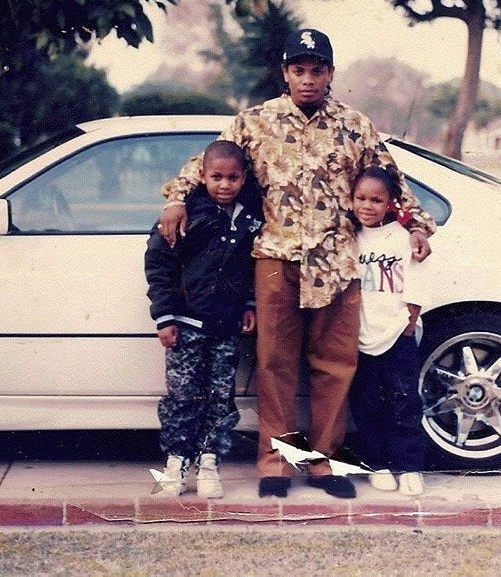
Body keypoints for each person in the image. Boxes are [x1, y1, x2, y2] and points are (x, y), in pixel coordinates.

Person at [158, 28, 436, 499]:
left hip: (337, 262)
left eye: (317, 70)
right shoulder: (256, 121)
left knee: (334, 366)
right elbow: (205, 164)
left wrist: (417, 225)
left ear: (330, 73)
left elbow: (391, 182)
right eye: (298, 69)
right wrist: (176, 201)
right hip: (275, 259)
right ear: (285, 73)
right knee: (275, 365)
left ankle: (326, 465)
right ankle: (278, 465)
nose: (308, 79)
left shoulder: (355, 126)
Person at [145, 140, 263, 497]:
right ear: (203, 175)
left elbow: (253, 266)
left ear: (244, 178)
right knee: (182, 396)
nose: (224, 185)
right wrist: (164, 317)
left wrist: (249, 304)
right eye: (216, 177)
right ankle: (176, 463)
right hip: (185, 325)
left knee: (220, 398)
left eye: (232, 178)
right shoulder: (186, 213)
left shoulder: (251, 216)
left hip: (226, 327)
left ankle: (209, 462)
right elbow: (159, 263)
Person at [349, 166, 429, 496]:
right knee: (366, 404)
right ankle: (377, 464)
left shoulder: (402, 237)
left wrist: (410, 320)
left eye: (376, 200)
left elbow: (418, 278)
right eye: (360, 198)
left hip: (397, 333)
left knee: (404, 399)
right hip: (361, 336)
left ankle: (409, 464)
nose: (367, 206)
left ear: (391, 203)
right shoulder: (349, 237)